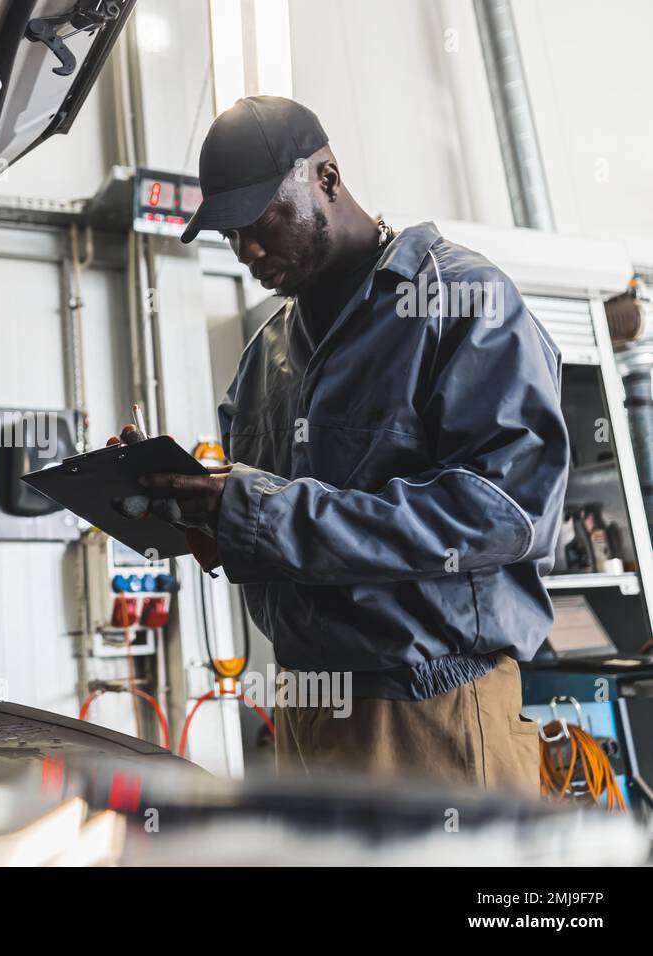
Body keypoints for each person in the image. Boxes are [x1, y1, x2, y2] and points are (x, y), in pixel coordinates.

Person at [115, 96, 567, 794]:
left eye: (261, 222)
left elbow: (506, 511)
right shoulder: (266, 353)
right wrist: (189, 502)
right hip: (305, 711)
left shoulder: (461, 302)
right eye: (231, 237)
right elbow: (274, 527)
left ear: (326, 176)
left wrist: (256, 511)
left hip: (428, 713)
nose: (249, 252)